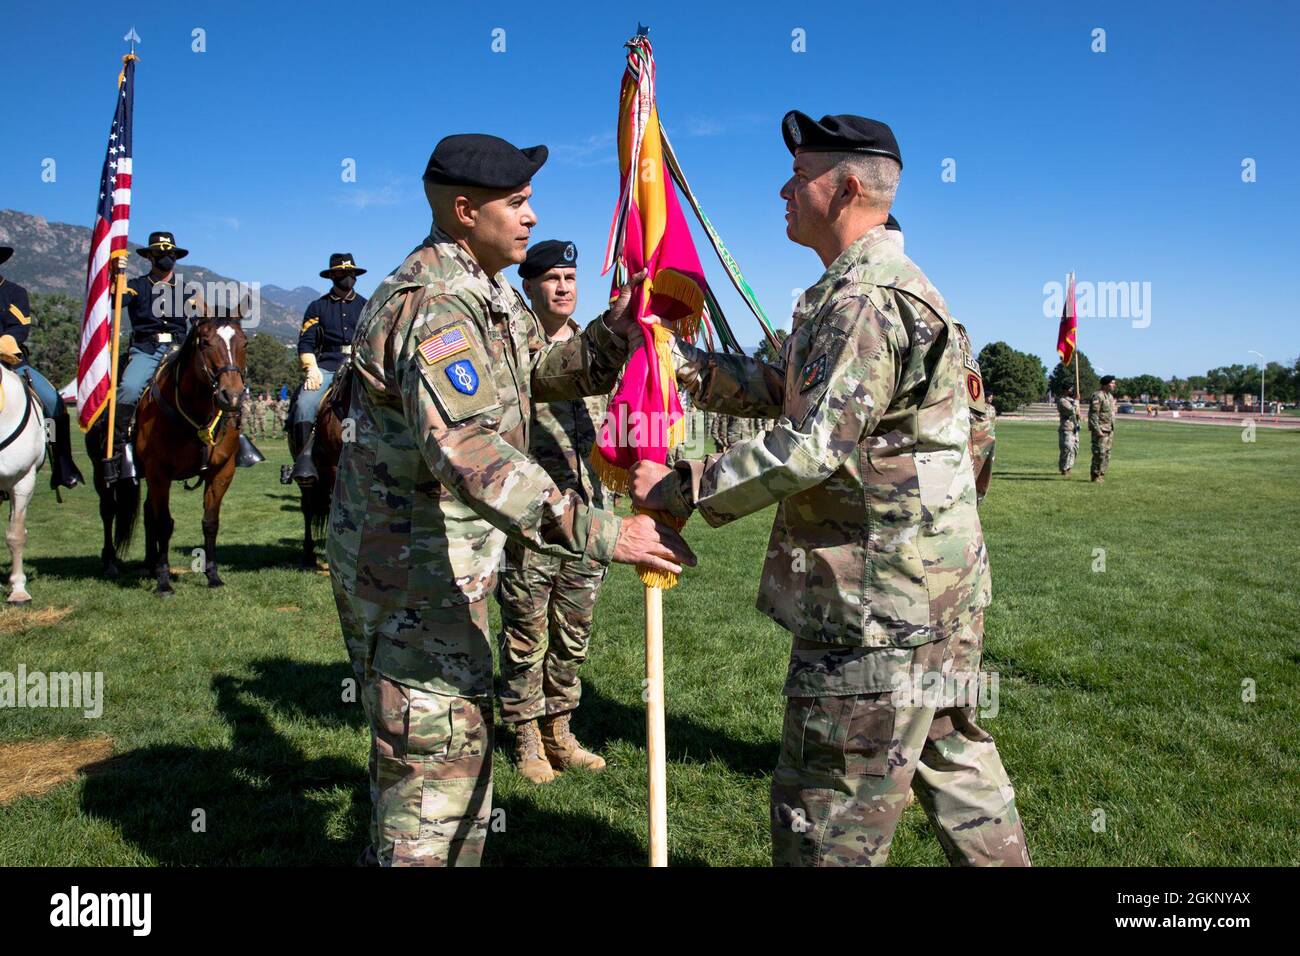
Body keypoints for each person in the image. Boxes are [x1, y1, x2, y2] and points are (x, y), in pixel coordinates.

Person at [630, 110, 1030, 867]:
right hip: (933, 595)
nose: (784, 188)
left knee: (829, 810)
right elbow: (792, 389)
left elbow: (812, 445)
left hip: (874, 608)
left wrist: (680, 487)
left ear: (846, 186)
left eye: (799, 173)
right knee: (959, 769)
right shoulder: (864, 289)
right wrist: (682, 366)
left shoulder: (864, 300)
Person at [327, 133, 695, 867]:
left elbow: (543, 372)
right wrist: (601, 531)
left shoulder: (492, 293)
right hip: (407, 572)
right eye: (518, 204)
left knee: (430, 765)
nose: (531, 219)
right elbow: (471, 452)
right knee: (436, 773)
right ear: (465, 211)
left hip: (447, 565)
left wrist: (619, 331)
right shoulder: (433, 304)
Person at [495, 239, 611, 784]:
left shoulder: (596, 351)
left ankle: (559, 732)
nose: (563, 287)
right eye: (551, 279)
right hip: (533, 518)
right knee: (525, 633)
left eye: (569, 277)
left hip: (589, 514)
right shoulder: (511, 351)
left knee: (573, 632)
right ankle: (524, 735)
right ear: (528, 286)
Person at [113, 232, 262, 479]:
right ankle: (122, 446)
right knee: (129, 388)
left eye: (170, 253)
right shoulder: (136, 285)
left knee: (216, 382)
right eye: (160, 253)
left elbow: (203, 320)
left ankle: (235, 439)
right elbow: (114, 301)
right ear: (150, 256)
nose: (166, 257)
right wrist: (115, 276)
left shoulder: (187, 292)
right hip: (147, 350)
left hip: (178, 349)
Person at [0, 245, 83, 490]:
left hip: (10, 362)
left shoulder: (14, 293)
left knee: (53, 402)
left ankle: (62, 464)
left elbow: (19, 329)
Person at [288, 253, 368, 482]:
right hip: (326, 366)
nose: (348, 277)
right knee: (305, 403)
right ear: (333, 276)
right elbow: (306, 341)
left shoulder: (366, 305)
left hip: (359, 366)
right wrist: (310, 368)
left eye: (351, 273)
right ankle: (305, 460)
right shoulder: (317, 307)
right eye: (343, 273)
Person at [1089, 374, 1118, 482]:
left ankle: (1101, 474)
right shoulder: (1098, 396)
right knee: (1099, 453)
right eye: (1112, 383)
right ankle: (1095, 475)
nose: (1114, 385)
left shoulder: (1110, 397)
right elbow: (1093, 415)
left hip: (1109, 430)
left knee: (1107, 454)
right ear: (1106, 384)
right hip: (1101, 430)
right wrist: (1097, 430)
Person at [1056, 384, 1080, 475]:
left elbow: (1077, 413)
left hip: (1075, 427)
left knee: (1075, 449)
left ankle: (1069, 466)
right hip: (1067, 427)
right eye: (1071, 389)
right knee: (1067, 448)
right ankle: (1064, 468)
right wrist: (1077, 401)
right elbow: (1071, 411)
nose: (1072, 390)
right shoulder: (1062, 401)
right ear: (1066, 390)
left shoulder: (1072, 400)